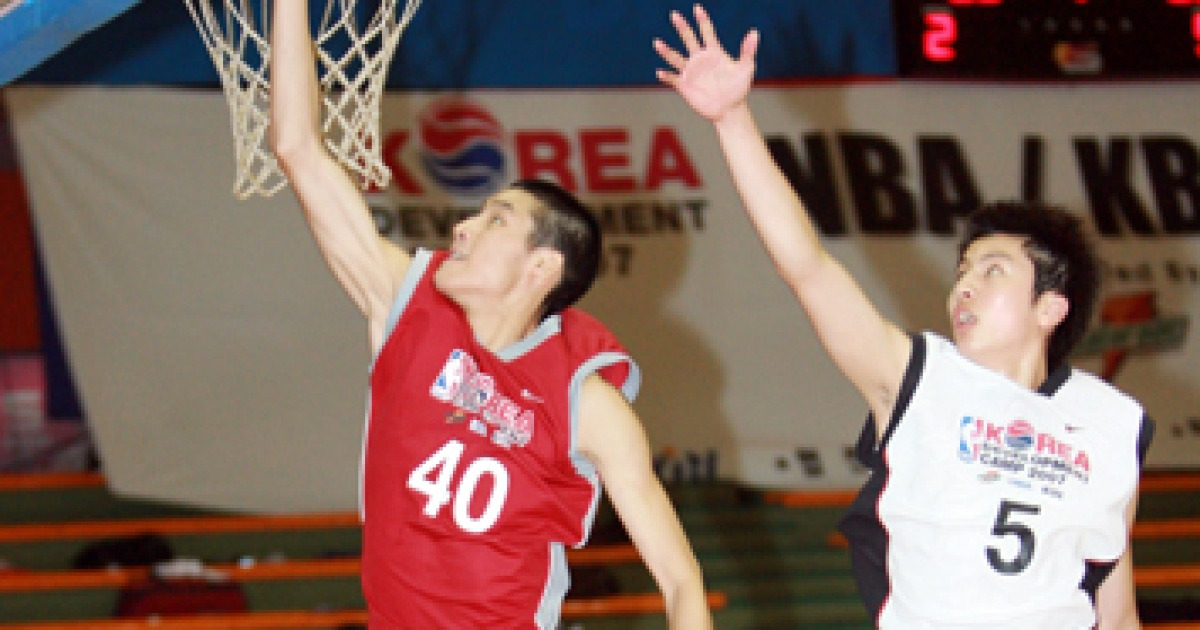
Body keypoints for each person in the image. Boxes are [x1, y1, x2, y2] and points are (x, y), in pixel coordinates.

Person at [655, 6, 1152, 629]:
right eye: (962, 272)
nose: (964, 287)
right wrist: (732, 120)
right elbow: (806, 266)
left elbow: (1119, 610)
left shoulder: (1111, 423)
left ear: (1051, 307)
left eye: (991, 270)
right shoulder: (920, 377)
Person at [267, 2, 712, 628]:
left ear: (541, 269)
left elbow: (679, 578)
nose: (463, 226)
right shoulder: (407, 307)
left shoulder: (587, 400)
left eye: (496, 218)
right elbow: (297, 147)